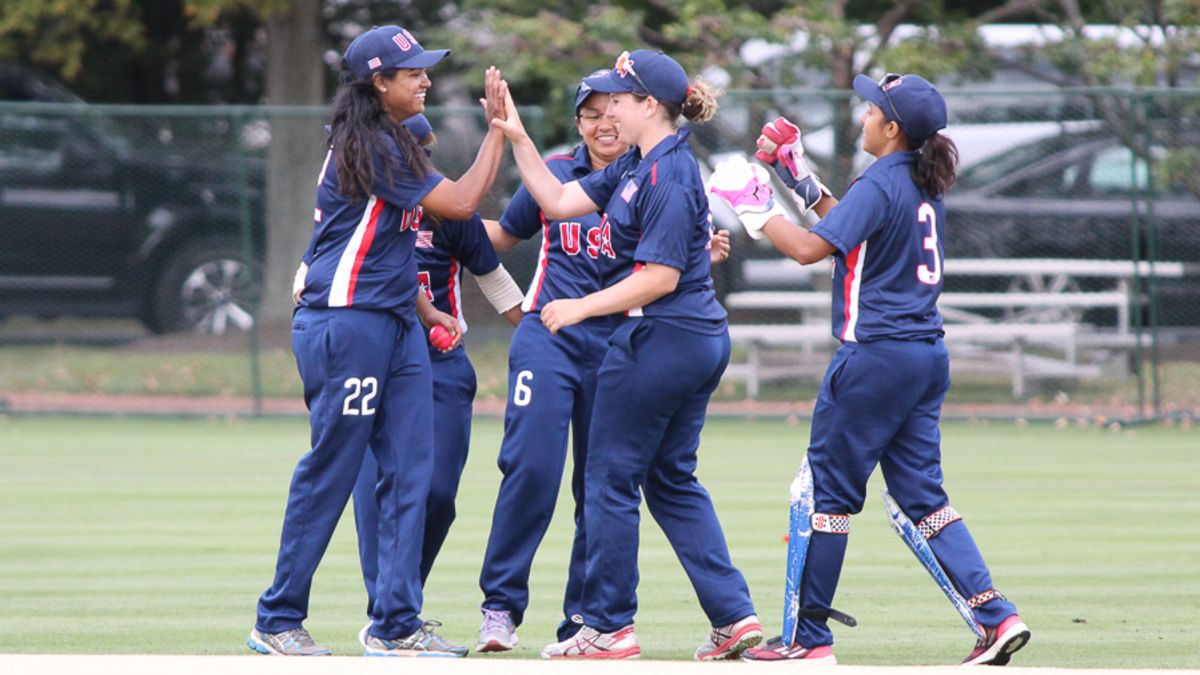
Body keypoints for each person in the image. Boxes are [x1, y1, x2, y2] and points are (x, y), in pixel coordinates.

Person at [707, 72, 1030, 666]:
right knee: (922, 498)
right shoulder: (918, 178)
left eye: (872, 110)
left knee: (824, 496)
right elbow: (851, 228)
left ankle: (808, 639)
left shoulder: (882, 180)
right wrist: (796, 175)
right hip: (923, 356)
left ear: (893, 127)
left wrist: (754, 207)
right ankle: (995, 617)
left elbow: (811, 249)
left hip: (875, 357)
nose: (863, 117)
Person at [488, 49, 761, 661]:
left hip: (663, 339)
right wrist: (518, 137)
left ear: (649, 105)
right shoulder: (640, 163)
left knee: (609, 480)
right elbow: (558, 202)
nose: (608, 108)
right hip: (687, 339)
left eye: (619, 97)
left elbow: (661, 277)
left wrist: (579, 308)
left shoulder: (669, 173)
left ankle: (608, 626)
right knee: (670, 479)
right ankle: (732, 616)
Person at [248, 24, 508, 658]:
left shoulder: (395, 142)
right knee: (333, 468)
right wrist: (501, 131)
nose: (425, 80)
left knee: (411, 471)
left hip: (393, 323)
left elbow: (385, 247)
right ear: (378, 82)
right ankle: (276, 617)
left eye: (424, 70)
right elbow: (464, 202)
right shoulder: (370, 143)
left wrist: (427, 308)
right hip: (346, 323)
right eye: (412, 72)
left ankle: (395, 624)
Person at [349, 113, 526, 647]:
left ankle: (397, 604)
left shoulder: (448, 211)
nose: (417, 160)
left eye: (423, 149)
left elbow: (496, 283)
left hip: (441, 366)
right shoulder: (361, 204)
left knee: (439, 495)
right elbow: (315, 265)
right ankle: (389, 614)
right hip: (377, 359)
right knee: (375, 493)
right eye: (409, 148)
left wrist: (544, 334)